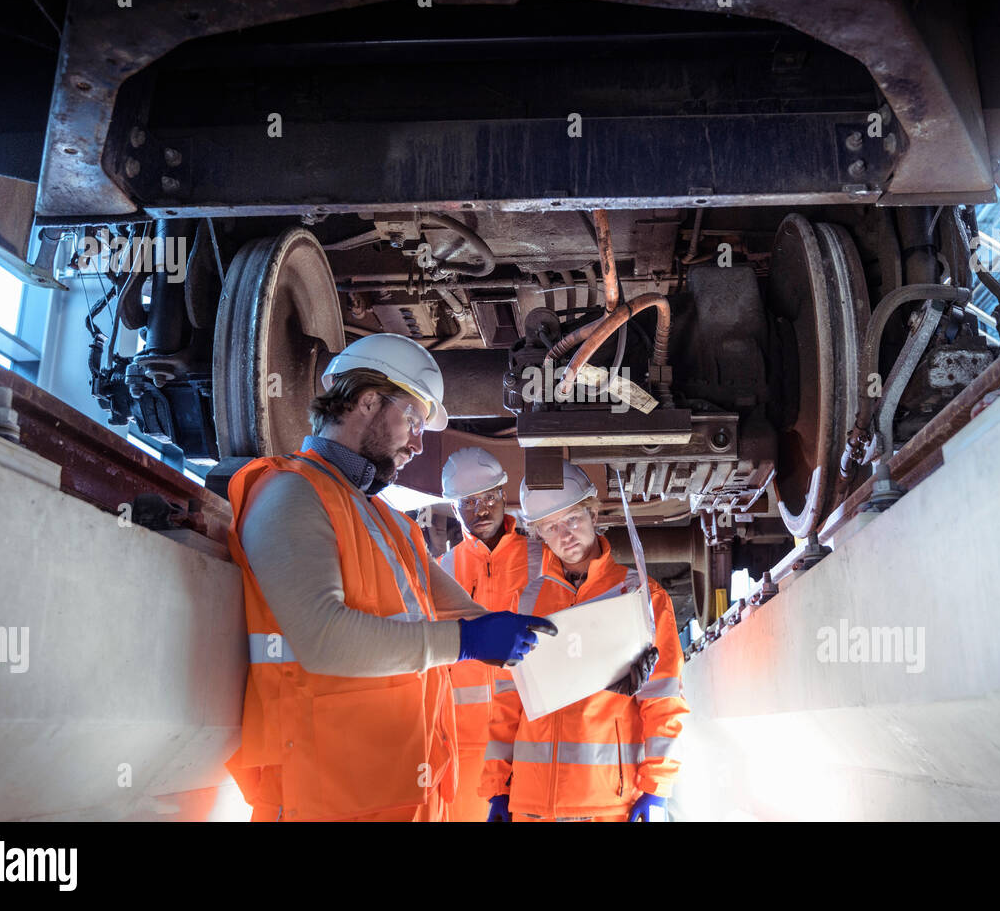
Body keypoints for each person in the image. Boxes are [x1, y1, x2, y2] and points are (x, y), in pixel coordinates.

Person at [223, 333, 556, 821]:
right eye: (414, 421)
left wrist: (595, 664)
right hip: (321, 800)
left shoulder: (391, 521)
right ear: (367, 401)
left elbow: (476, 620)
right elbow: (324, 640)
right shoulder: (290, 494)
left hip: (406, 797)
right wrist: (465, 642)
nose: (419, 444)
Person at [479, 462, 688, 821]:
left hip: (608, 802)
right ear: (539, 533)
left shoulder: (640, 596)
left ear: (593, 513)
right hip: (532, 805)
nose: (565, 535)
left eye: (573, 519)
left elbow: (663, 699)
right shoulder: (523, 603)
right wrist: (497, 788)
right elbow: (506, 703)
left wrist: (657, 787)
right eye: (551, 527)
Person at [437, 447, 539, 821]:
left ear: (502, 494)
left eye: (487, 497)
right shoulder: (441, 572)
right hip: (465, 752)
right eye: (467, 502)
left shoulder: (541, 559)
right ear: (453, 508)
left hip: (533, 735)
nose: (479, 510)